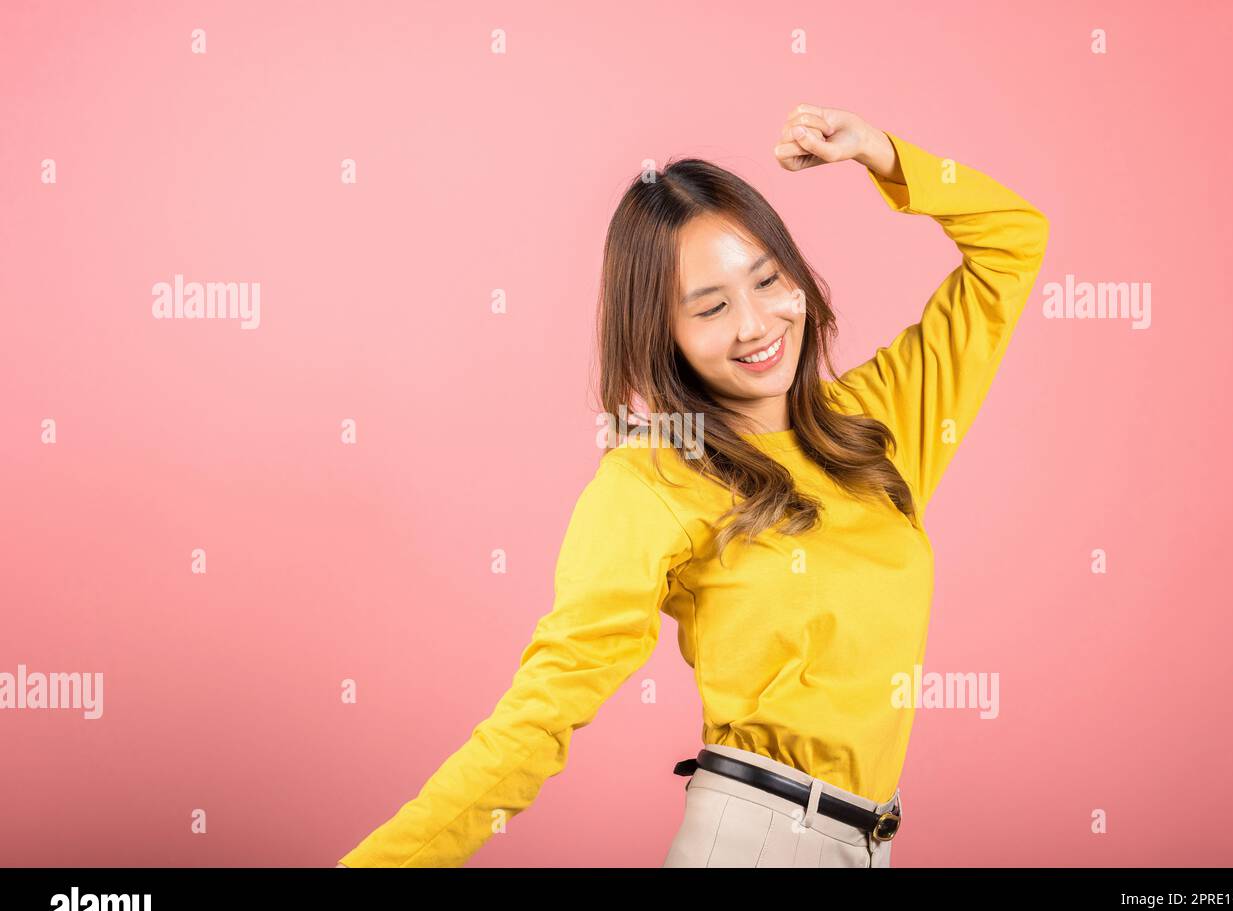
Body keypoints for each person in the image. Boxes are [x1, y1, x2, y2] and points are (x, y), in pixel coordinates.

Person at [337, 103, 1049, 868]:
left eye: (768, 280)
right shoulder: (652, 479)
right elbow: (541, 712)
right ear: (661, 333)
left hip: (868, 841)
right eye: (710, 306)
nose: (755, 324)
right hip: (757, 843)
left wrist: (884, 155)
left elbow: (1015, 242)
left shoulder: (876, 424)